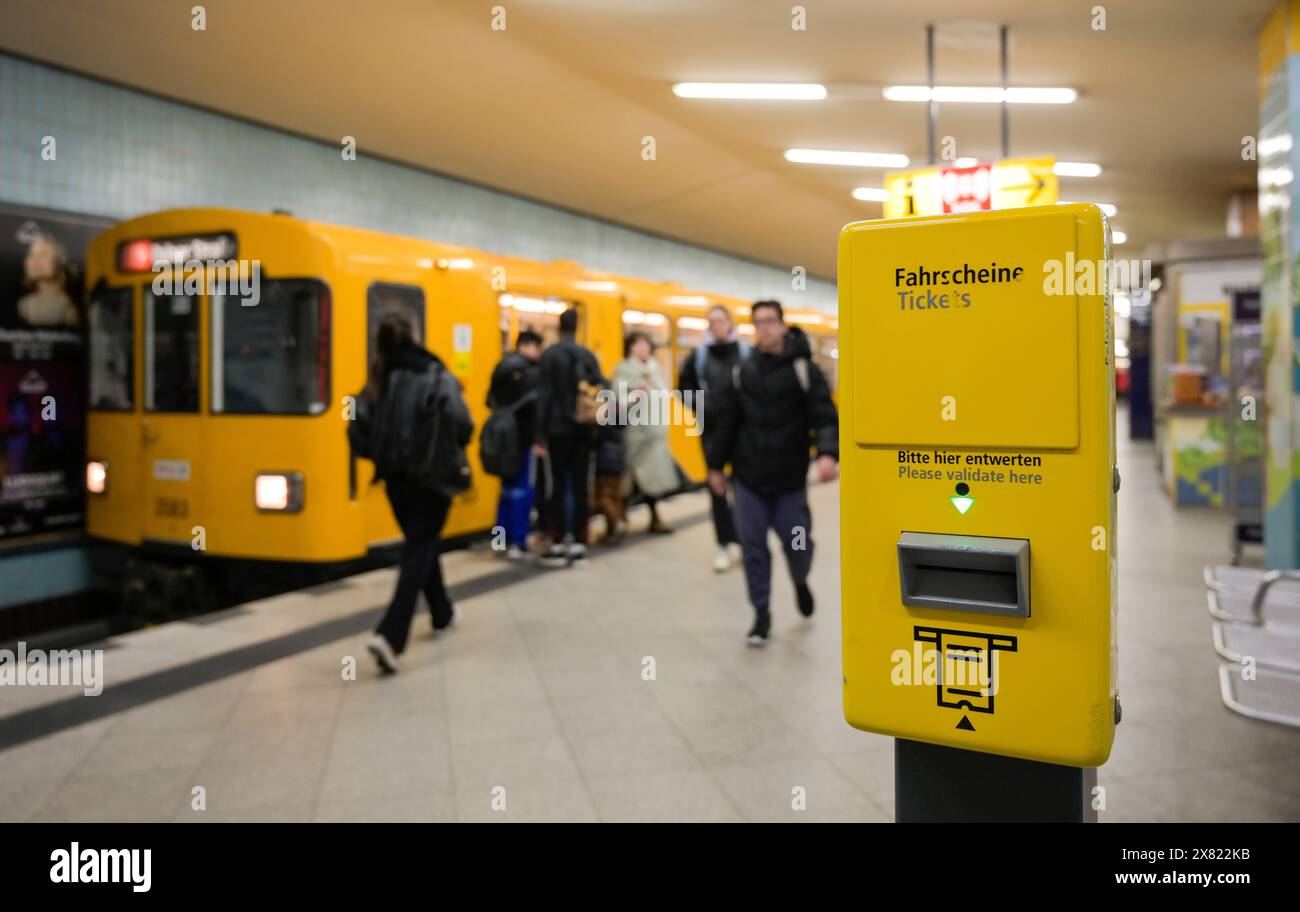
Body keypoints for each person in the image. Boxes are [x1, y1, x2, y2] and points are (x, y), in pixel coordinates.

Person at [706, 299, 838, 648]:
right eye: (758, 322)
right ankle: (761, 615)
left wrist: (827, 453)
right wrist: (716, 466)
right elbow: (727, 424)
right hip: (749, 478)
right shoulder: (742, 372)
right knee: (753, 548)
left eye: (769, 321)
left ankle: (800, 579)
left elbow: (824, 415)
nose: (763, 327)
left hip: (789, 479)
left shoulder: (803, 370)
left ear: (782, 325)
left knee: (797, 544)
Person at [363, 312, 474, 673]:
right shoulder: (434, 371)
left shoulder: (379, 377)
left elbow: (359, 424)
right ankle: (391, 636)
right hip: (433, 476)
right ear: (412, 336)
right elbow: (462, 420)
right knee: (418, 550)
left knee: (422, 543)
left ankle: (441, 612)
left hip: (395, 480)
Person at [678, 304, 747, 571]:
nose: (715, 326)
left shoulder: (745, 353)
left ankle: (742, 539)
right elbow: (683, 387)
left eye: (719, 321)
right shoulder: (699, 356)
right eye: (711, 322)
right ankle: (724, 544)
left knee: (742, 488)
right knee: (716, 487)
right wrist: (701, 405)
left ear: (730, 323)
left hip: (742, 432)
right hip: (711, 431)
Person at [534, 307, 603, 568]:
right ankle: (580, 543)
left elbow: (544, 396)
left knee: (558, 487)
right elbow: (600, 386)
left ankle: (558, 540)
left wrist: (539, 434)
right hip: (583, 430)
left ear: (558, 326)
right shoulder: (586, 354)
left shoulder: (550, 355)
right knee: (580, 485)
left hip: (557, 430)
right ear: (577, 327)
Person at [613, 331, 679, 534]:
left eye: (646, 344)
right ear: (630, 347)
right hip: (636, 432)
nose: (642, 348)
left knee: (652, 479)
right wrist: (635, 394)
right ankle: (618, 521)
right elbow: (617, 399)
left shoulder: (655, 368)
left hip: (656, 432)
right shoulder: (624, 369)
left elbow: (665, 394)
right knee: (629, 478)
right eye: (638, 344)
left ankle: (652, 518)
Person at [486, 329, 542, 560]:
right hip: (522, 441)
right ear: (527, 346)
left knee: (505, 492)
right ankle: (518, 543)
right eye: (537, 348)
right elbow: (534, 411)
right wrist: (537, 441)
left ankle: (499, 541)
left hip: (501, 439)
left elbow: (488, 399)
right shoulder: (528, 372)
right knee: (522, 493)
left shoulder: (501, 367)